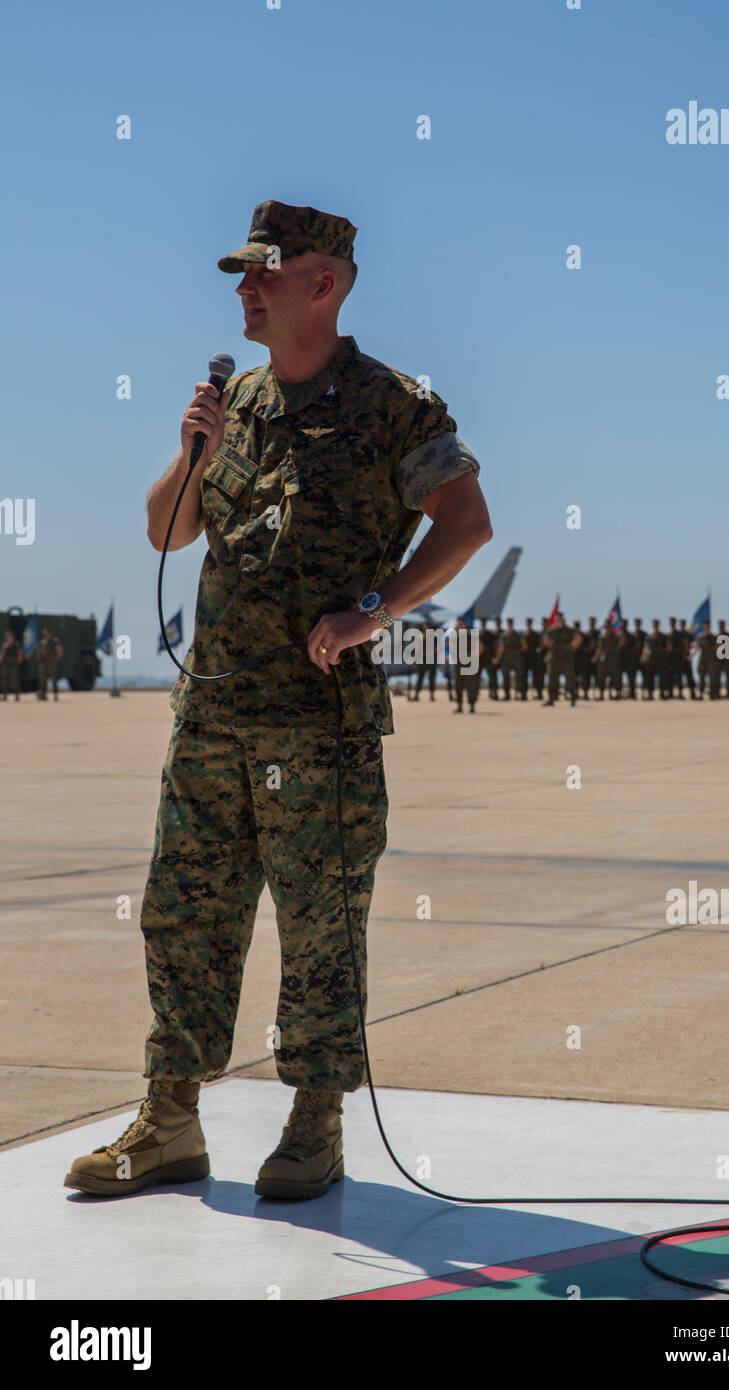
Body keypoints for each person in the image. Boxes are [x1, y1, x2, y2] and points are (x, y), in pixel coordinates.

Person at [65, 199, 492, 1200]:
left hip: (319, 731)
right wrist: (194, 449)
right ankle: (169, 1120)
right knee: (182, 918)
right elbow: (165, 533)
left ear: (325, 283)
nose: (244, 290)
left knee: (318, 927)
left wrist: (372, 611)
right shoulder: (235, 402)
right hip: (211, 720)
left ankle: (316, 1123)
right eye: (241, 275)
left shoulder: (392, 406)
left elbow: (466, 520)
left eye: (265, 272)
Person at [452, 616, 479, 713]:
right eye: (458, 625)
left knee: (470, 685)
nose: (460, 626)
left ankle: (472, 705)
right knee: (458, 685)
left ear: (465, 625)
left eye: (461, 624)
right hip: (458, 664)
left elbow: (478, 649)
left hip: (469, 664)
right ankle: (459, 706)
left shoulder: (471, 636)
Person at [496, 617, 523, 700]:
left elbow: (523, 646)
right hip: (507, 659)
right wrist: (498, 658)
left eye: (510, 623)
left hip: (515, 658)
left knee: (518, 677)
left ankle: (517, 694)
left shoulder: (517, 635)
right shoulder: (504, 635)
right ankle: (507, 694)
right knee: (506, 678)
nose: (510, 625)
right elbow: (501, 648)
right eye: (509, 623)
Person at [36, 627, 63, 701]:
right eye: (45, 634)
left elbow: (59, 651)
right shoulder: (42, 642)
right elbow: (38, 653)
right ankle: (43, 695)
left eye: (47, 633)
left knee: (54, 679)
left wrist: (56, 660)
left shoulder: (55, 641)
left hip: (52, 663)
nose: (46, 635)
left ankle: (55, 695)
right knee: (43, 680)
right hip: (44, 663)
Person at [0, 630, 22, 702]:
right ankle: (5, 696)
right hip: (5, 665)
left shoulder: (16, 645)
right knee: (5, 681)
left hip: (13, 665)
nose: (9, 638)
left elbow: (19, 654)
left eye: (10, 637)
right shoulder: (5, 645)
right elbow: (2, 654)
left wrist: (18, 661)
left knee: (14, 681)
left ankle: (16, 695)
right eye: (8, 637)